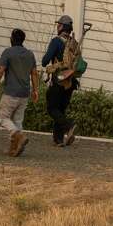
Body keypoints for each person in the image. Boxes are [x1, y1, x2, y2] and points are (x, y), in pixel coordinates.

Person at [0, 28, 38, 156]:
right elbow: (34, 73)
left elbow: (1, 70)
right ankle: (15, 148)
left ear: (12, 39)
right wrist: (35, 90)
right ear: (23, 40)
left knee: (3, 117)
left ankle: (18, 136)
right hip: (25, 93)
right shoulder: (30, 54)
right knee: (17, 120)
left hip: (11, 92)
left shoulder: (8, 52)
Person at [42, 14, 78, 147]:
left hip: (59, 80)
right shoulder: (74, 43)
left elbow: (45, 61)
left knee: (52, 108)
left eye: (59, 24)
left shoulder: (56, 41)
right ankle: (59, 140)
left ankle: (69, 125)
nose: (57, 26)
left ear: (62, 27)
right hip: (71, 82)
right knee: (60, 110)